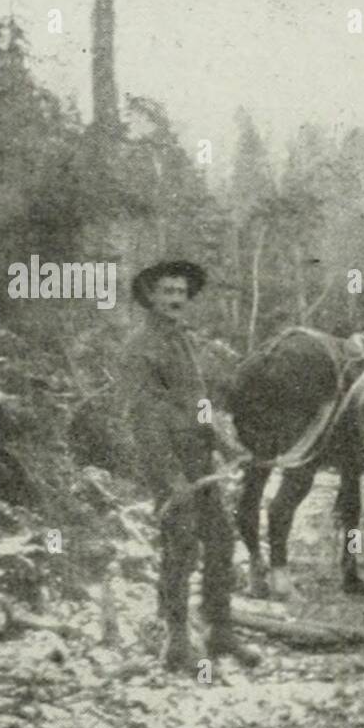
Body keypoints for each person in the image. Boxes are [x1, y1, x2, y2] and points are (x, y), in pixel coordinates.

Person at [123, 260, 258, 672]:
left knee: (220, 541)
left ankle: (220, 630)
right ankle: (177, 639)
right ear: (150, 296)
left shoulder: (182, 341)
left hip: (199, 459)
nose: (175, 300)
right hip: (171, 463)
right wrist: (172, 479)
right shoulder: (139, 347)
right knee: (180, 547)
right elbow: (143, 418)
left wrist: (224, 442)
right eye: (166, 292)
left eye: (181, 293)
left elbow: (198, 403)